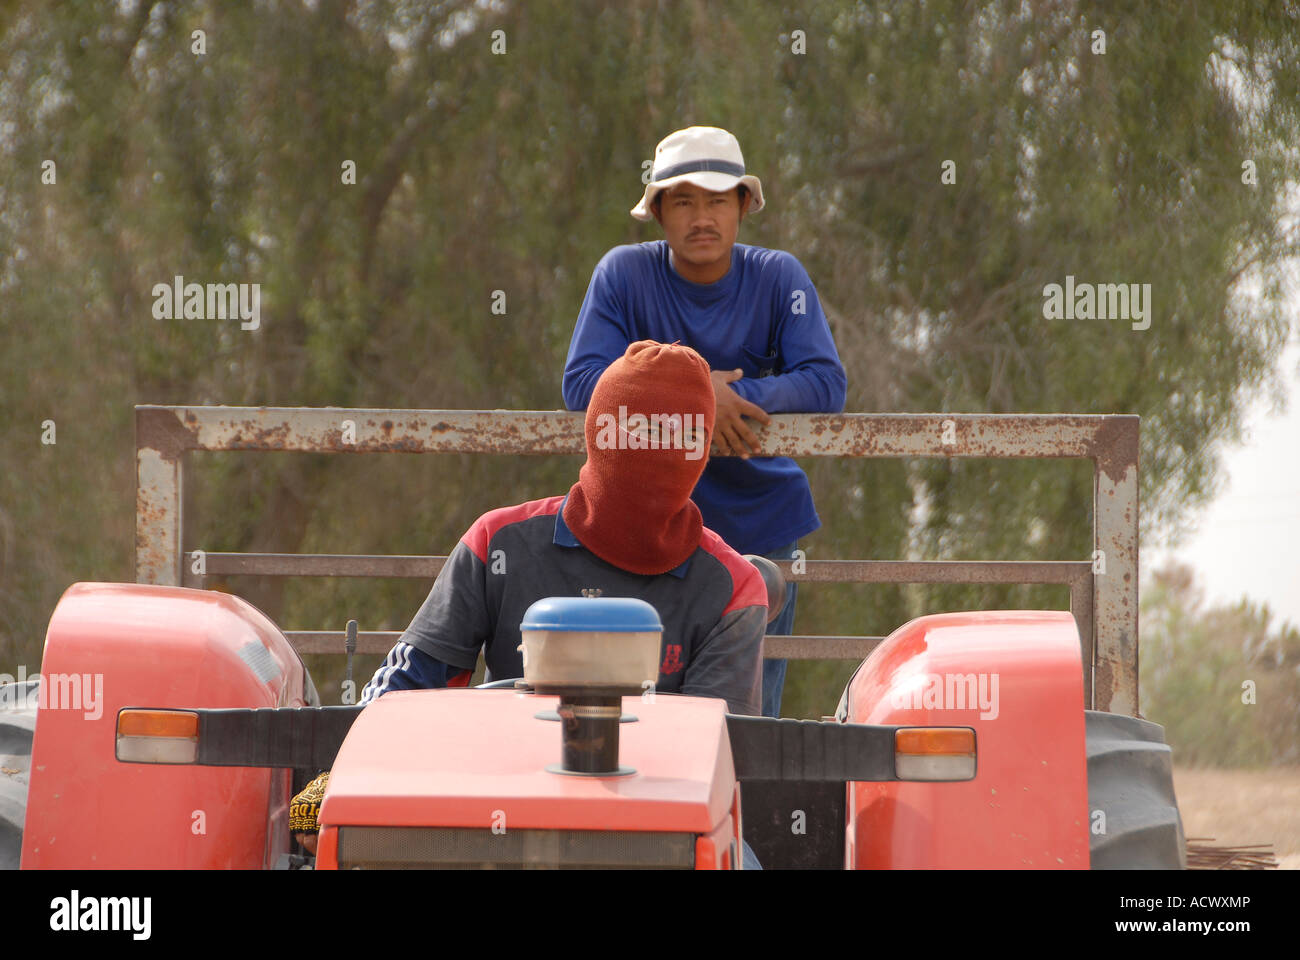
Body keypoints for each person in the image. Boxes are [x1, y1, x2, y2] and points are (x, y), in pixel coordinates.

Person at [291, 341, 769, 862]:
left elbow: (710, 761)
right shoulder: (498, 544)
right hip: (495, 815)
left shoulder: (732, 590)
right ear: (599, 434)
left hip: (653, 831)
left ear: (698, 451)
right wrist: (336, 779)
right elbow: (409, 686)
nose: (651, 451)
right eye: (635, 431)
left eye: (674, 437)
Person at [562, 125, 847, 718]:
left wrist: (719, 397)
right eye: (684, 200)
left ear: (743, 205)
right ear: (658, 210)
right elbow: (582, 383)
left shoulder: (779, 278)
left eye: (717, 200)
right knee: (636, 705)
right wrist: (699, 396)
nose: (702, 217)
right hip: (641, 527)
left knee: (746, 716)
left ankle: (739, 813)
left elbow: (825, 382)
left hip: (758, 524)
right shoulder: (623, 275)